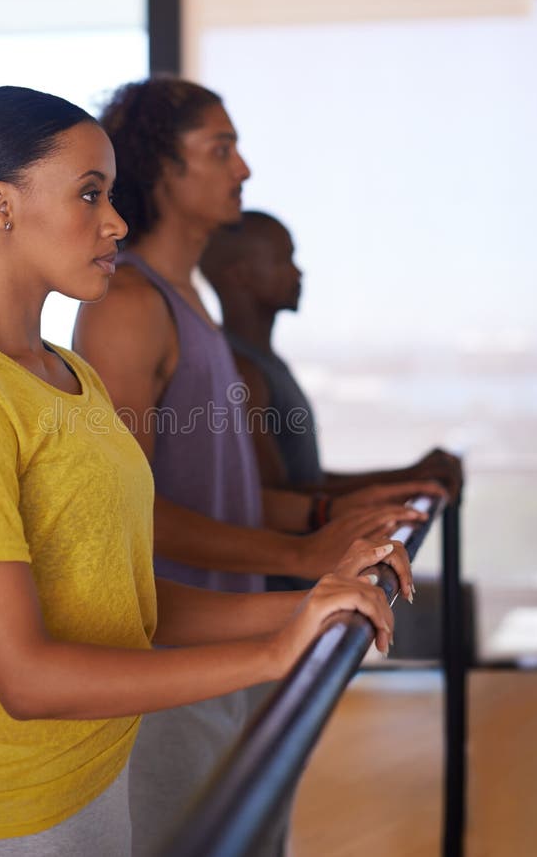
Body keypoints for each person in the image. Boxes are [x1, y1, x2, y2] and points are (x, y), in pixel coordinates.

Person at [0, 85, 413, 857]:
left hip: (88, 788)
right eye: (90, 194)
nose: (115, 221)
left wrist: (308, 603)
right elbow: (24, 679)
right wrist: (269, 653)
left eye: (110, 194)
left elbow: (129, 604)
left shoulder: (68, 374)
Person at [72, 77, 437, 856]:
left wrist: (336, 517)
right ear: (164, 169)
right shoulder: (127, 304)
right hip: (172, 647)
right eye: (220, 150)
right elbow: (126, 511)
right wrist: (301, 555)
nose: (242, 171)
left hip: (230, 635)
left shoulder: (187, 299)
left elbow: (217, 484)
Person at [199, 209, 463, 503]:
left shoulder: (263, 362)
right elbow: (275, 499)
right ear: (241, 274)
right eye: (282, 259)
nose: (297, 272)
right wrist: (406, 478)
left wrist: (409, 476)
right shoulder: (240, 371)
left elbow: (308, 481)